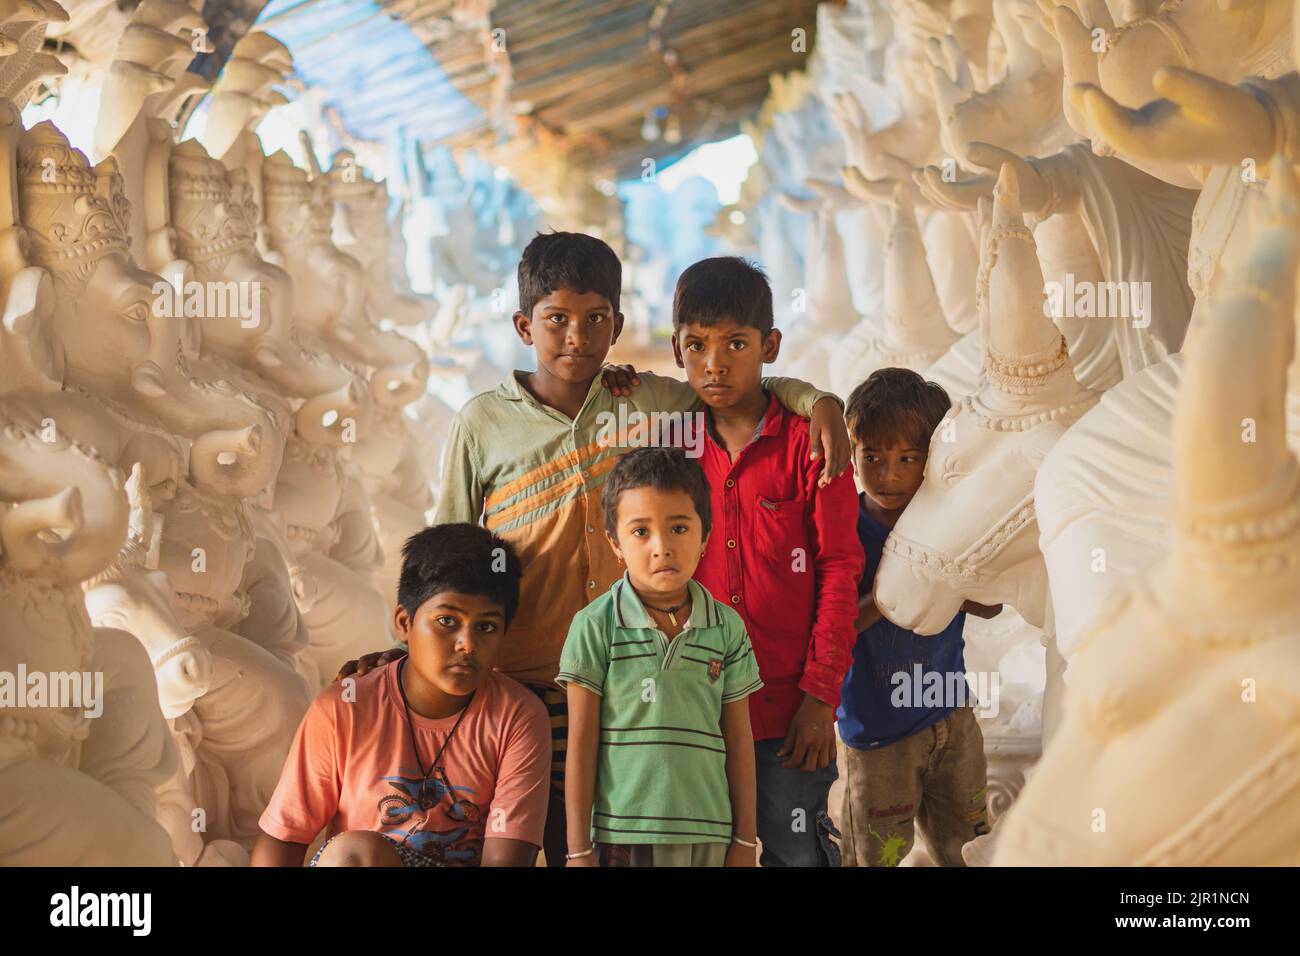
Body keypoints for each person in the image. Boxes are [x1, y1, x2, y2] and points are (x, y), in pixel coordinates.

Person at [340, 231, 849, 866]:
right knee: (535, 836)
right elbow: (446, 555)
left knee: (617, 834)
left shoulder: (645, 401)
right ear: (525, 325)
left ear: (617, 325)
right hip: (518, 682)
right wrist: (407, 650)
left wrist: (820, 401)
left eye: (595, 320)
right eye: (557, 320)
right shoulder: (482, 423)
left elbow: (740, 383)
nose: (576, 337)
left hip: (626, 676)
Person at [670, 256, 866, 866]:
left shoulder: (813, 443)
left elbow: (838, 569)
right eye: (697, 344)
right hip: (692, 708)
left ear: (770, 345)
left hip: (790, 713)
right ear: (678, 351)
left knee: (793, 851)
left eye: (735, 343)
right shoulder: (670, 445)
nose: (715, 362)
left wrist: (820, 697)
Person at [251, 524, 550, 867]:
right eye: (447, 621)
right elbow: (283, 838)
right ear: (404, 623)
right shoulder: (344, 708)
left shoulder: (518, 717)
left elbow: (506, 862)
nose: (467, 644)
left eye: (486, 627)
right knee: (353, 852)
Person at [559, 447, 763, 867]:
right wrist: (578, 851)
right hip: (622, 835)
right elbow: (581, 742)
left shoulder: (727, 628)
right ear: (614, 543)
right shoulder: (595, 626)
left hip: (709, 831)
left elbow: (740, 738)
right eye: (640, 532)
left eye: (679, 528)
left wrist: (745, 840)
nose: (662, 547)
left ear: (705, 536)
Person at [837, 368, 1000, 867]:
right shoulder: (843, 530)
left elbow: (988, 604)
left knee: (968, 847)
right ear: (853, 452)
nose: (888, 474)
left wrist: (948, 574)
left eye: (908, 458)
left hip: (951, 716)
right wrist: (891, 592)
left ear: (933, 459)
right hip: (877, 737)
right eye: (873, 457)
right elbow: (831, 627)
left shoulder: (944, 523)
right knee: (875, 857)